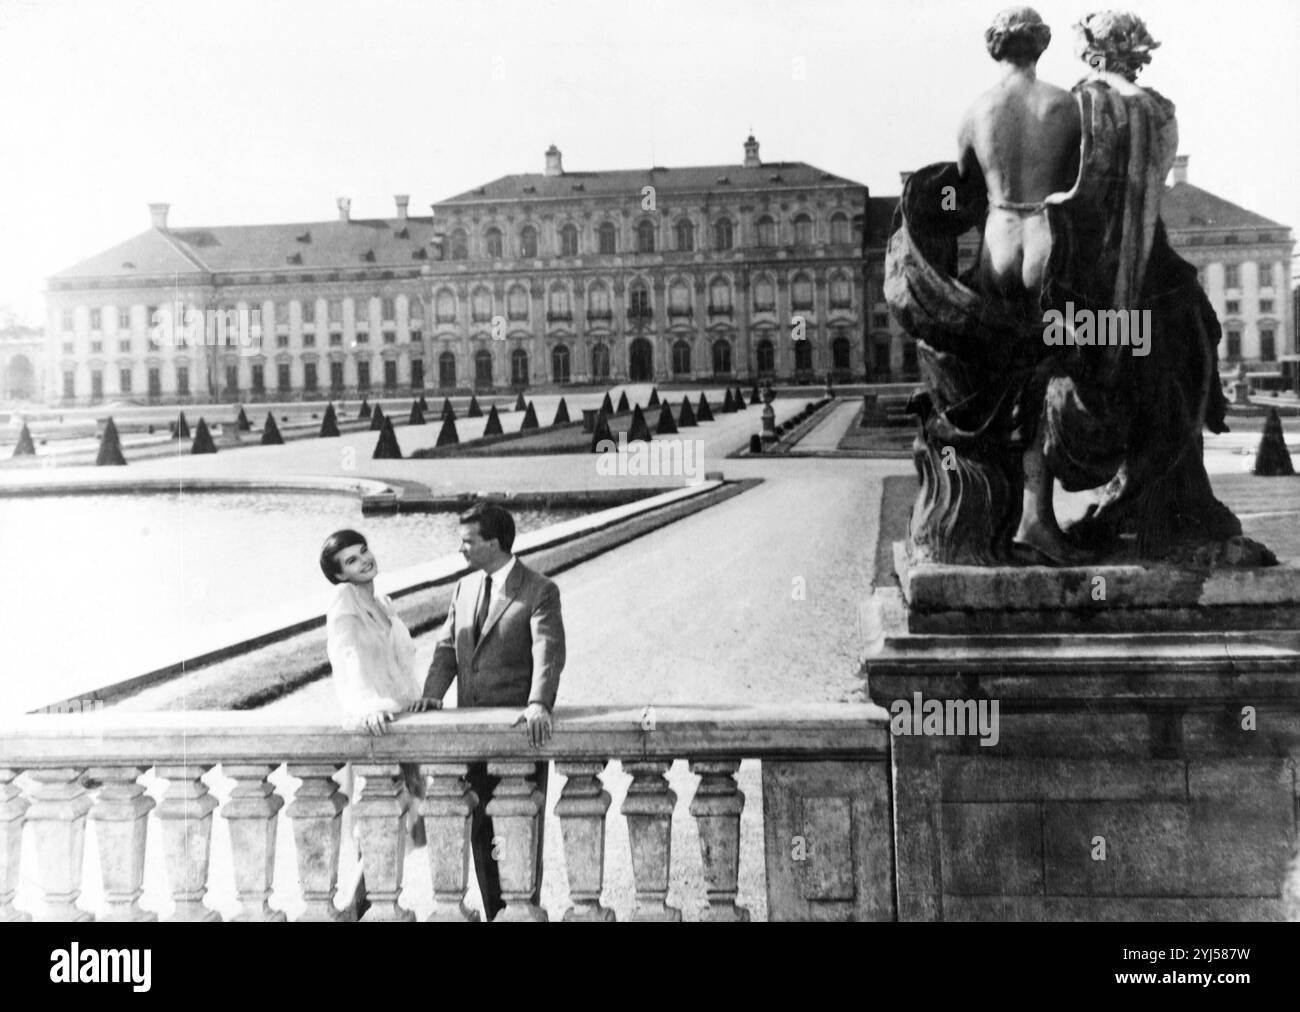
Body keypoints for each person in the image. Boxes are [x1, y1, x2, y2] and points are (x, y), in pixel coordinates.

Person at [421, 503, 565, 920]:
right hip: (472, 734)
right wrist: (432, 694)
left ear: (495, 542)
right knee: (483, 831)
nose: (461, 548)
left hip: (518, 737)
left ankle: (520, 913)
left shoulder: (539, 589)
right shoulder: (465, 588)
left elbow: (548, 653)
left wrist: (539, 702)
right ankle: (492, 913)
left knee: (519, 830)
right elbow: (448, 647)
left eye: (467, 541)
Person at [320, 528, 434, 916]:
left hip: (401, 724)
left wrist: (417, 700)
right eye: (351, 559)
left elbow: (399, 662)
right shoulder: (343, 601)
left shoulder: (382, 602)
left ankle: (361, 911)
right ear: (339, 574)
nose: (364, 559)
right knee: (381, 827)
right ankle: (350, 913)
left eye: (363, 550)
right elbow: (347, 658)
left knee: (397, 825)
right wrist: (366, 706)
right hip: (376, 724)